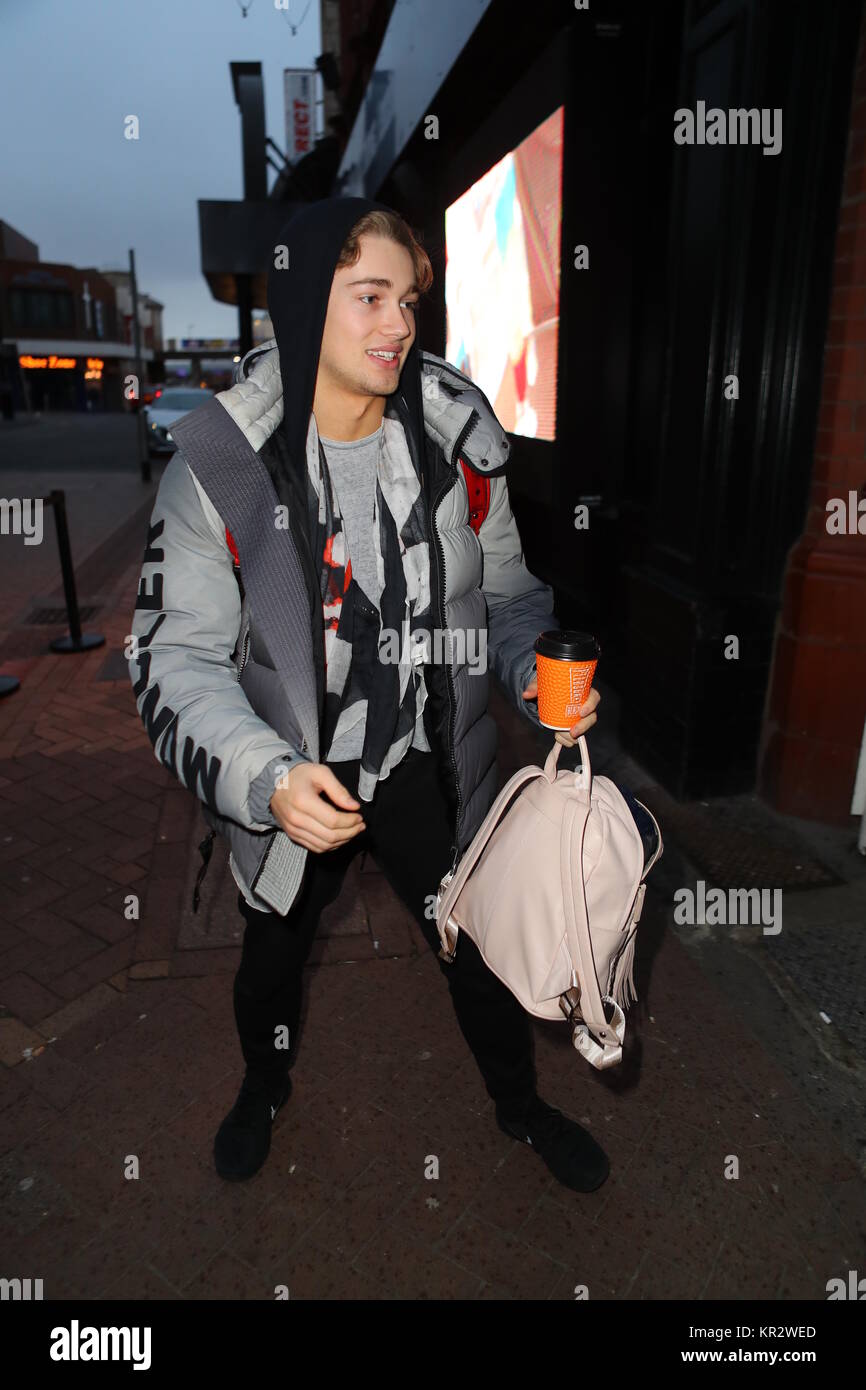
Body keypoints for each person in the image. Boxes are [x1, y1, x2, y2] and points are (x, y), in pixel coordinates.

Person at [128, 196, 607, 1194]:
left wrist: (533, 680)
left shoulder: (455, 439)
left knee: (471, 941)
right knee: (271, 958)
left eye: (410, 300)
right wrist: (263, 779)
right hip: (293, 770)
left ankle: (518, 1106)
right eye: (369, 297)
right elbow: (174, 659)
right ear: (306, 307)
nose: (399, 323)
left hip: (417, 757)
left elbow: (509, 599)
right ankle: (261, 1087)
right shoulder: (221, 468)